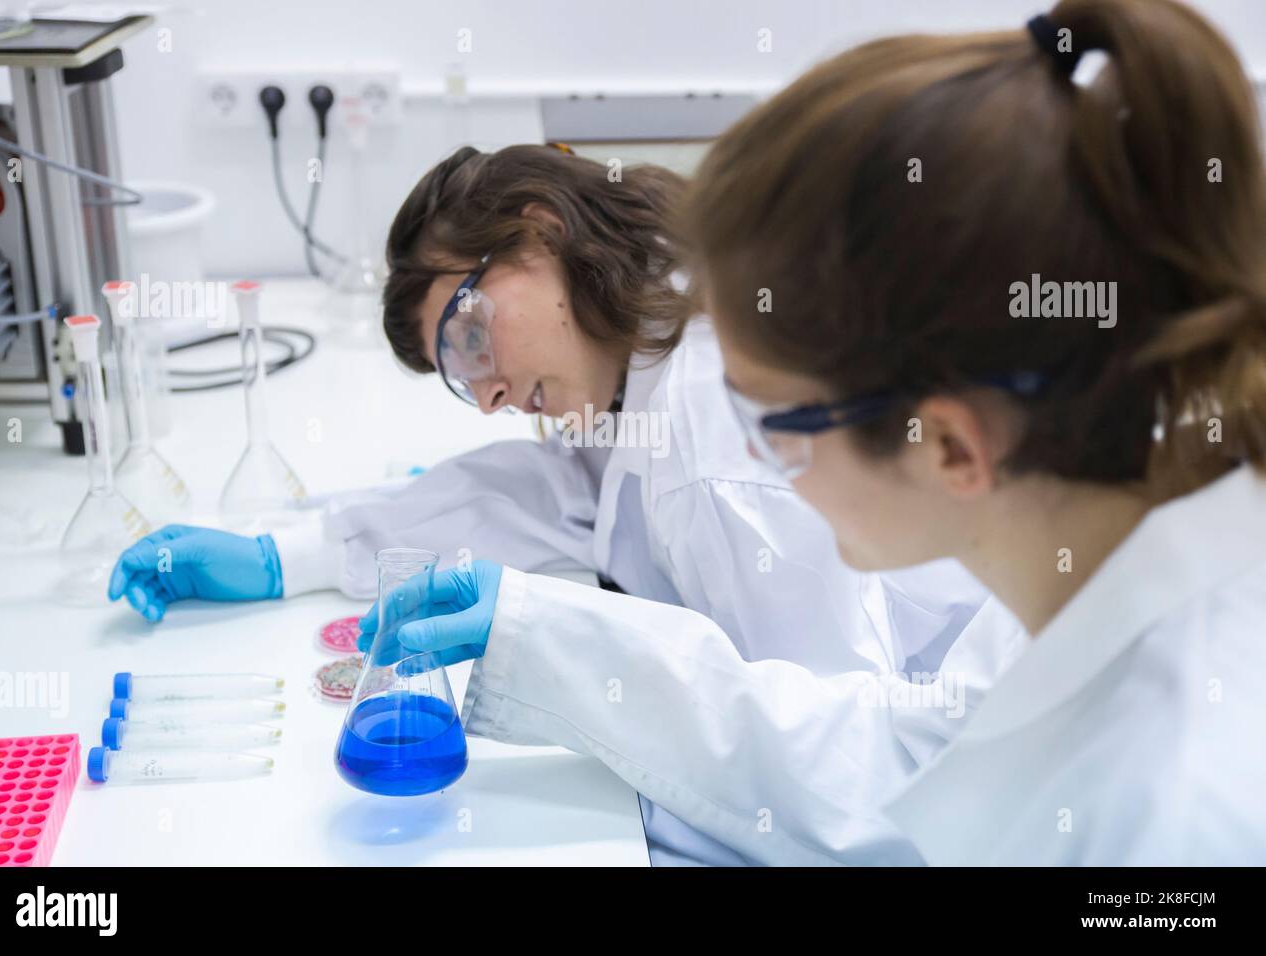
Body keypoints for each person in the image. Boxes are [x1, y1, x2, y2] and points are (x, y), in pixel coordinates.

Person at [361, 0, 1266, 864]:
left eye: (775, 426)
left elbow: (895, 808)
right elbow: (914, 759)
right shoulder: (1120, 577)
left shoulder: (1179, 825)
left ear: (948, 445)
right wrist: (541, 640)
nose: (751, 458)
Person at [108, 144, 1011, 865]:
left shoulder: (710, 448)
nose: (491, 397)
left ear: (538, 233)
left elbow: (826, 773)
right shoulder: (652, 349)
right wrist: (288, 555)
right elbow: (555, 493)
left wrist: (550, 643)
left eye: (468, 339)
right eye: (460, 378)